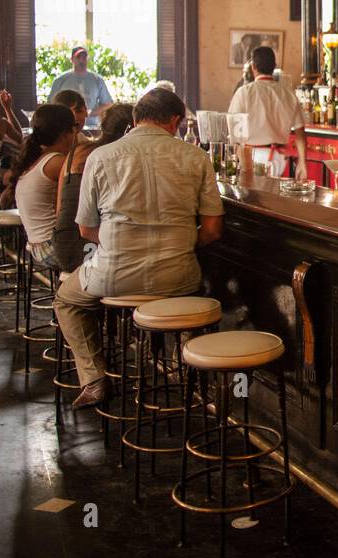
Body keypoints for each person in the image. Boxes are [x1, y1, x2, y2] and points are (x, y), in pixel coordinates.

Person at [53, 88, 223, 409]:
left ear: (135, 119)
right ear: (174, 121)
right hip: (179, 280)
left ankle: (94, 381)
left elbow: (86, 229)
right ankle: (189, 382)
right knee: (193, 299)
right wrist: (182, 241)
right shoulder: (196, 157)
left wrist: (121, 244)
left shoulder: (100, 157)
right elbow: (213, 230)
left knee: (67, 302)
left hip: (113, 276)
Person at [50, 102, 134, 274]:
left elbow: (60, 208)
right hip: (86, 248)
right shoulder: (113, 159)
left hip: (62, 241)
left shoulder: (77, 151)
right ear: (131, 129)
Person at [12, 105, 78, 269]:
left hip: (37, 246)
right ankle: (80, 293)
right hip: (53, 248)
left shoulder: (36, 158)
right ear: (65, 134)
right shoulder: (57, 162)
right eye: (74, 128)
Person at [227, 46, 308, 179]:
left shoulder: (244, 92)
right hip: (278, 158)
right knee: (272, 197)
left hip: (252, 155)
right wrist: (302, 163)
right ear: (273, 67)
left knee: (252, 197)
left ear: (253, 67)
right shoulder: (288, 93)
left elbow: (234, 132)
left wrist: (236, 159)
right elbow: (300, 133)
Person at [49, 45, 113, 130]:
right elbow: (51, 104)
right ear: (72, 59)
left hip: (91, 126)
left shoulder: (97, 80)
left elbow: (108, 103)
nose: (82, 60)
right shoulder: (60, 80)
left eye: (84, 57)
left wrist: (92, 112)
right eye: (78, 57)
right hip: (65, 126)